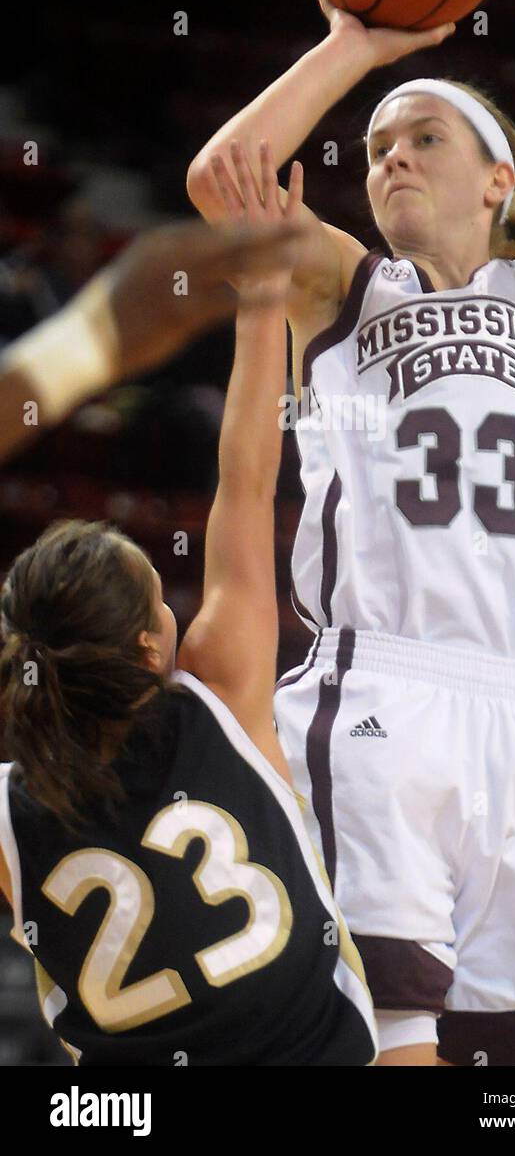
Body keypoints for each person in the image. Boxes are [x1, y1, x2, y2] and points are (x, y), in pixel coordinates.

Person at [186, 0, 515, 1066]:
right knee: (393, 1044)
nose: (385, 154)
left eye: (420, 139)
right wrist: (363, 47)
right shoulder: (348, 291)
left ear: (497, 177)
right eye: (376, 146)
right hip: (388, 691)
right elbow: (224, 184)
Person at [0, 144, 377, 1067]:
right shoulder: (219, 687)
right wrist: (262, 303)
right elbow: (244, 481)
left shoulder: (11, 818)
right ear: (148, 640)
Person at [0, 210, 301, 465]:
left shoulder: (101, 285)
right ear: (53, 242)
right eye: (76, 236)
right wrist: (97, 339)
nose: (84, 246)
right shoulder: (27, 290)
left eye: (90, 236)